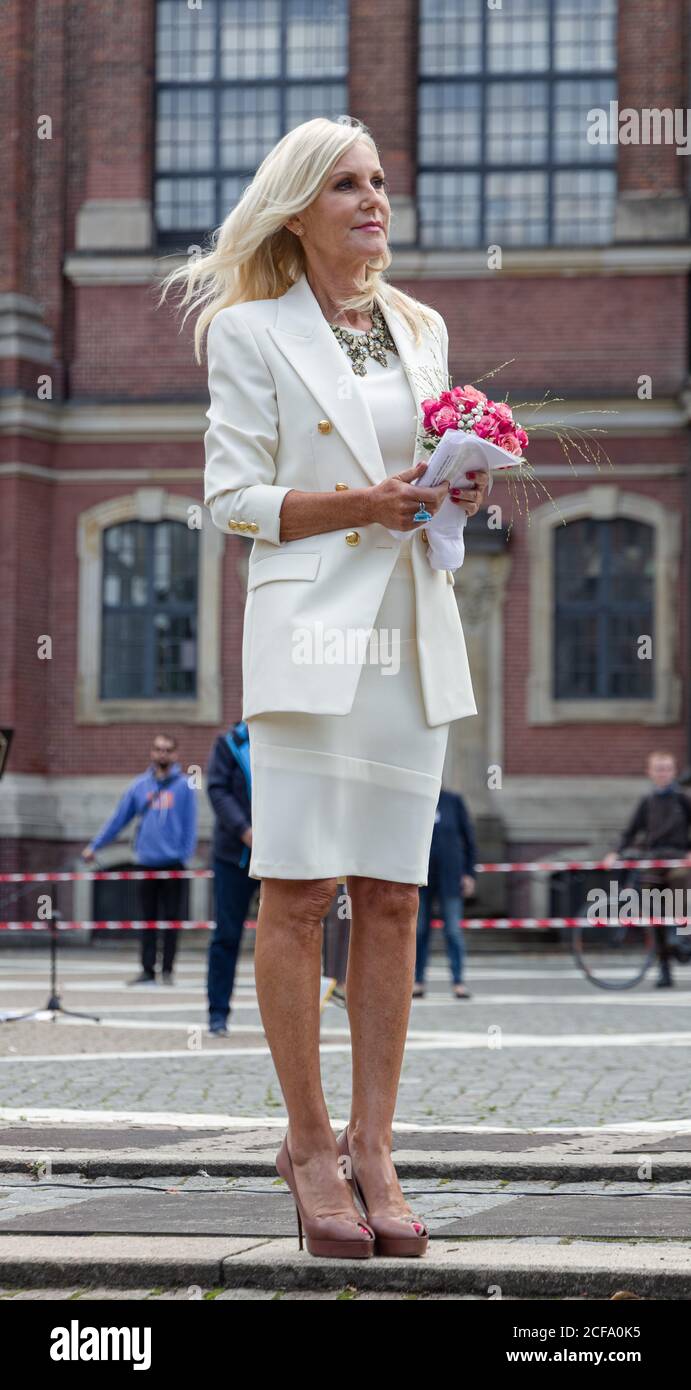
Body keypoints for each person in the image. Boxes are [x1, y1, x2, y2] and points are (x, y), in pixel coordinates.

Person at [161, 115, 488, 1261]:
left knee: (392, 895)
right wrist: (362, 502)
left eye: (380, 181)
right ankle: (306, 1144)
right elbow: (229, 501)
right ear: (296, 208)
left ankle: (376, 1142)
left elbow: (426, 475)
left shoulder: (422, 326)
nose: (372, 200)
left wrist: (454, 491)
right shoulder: (249, 333)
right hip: (307, 632)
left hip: (407, 630)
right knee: (298, 893)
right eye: (345, 184)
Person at [82, 735, 197, 985]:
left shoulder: (186, 786)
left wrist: (185, 854)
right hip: (146, 861)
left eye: (167, 750)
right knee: (147, 918)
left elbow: (191, 824)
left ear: (175, 754)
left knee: (171, 920)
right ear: (152, 753)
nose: (162, 754)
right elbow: (118, 820)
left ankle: (167, 970)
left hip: (173, 864)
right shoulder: (139, 787)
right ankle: (147, 969)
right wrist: (95, 846)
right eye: (158, 749)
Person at [603, 751, 691, 988]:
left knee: (679, 887)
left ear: (673, 772)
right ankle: (664, 967)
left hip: (678, 859)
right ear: (650, 773)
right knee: (655, 914)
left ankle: (683, 937)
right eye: (658, 769)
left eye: (667, 769)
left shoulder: (683, 799)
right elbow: (630, 831)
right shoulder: (647, 802)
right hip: (653, 860)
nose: (663, 773)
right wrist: (615, 852)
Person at [205, 720, 256, 1036]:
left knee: (285, 937)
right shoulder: (228, 743)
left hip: (280, 856)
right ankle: (218, 1013)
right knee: (226, 936)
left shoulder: (287, 737)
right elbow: (217, 789)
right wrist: (244, 830)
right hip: (233, 856)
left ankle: (285, 1020)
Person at [414, 786, 478, 1000]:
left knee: (453, 931)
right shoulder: (418, 799)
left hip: (451, 877)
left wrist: (469, 874)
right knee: (419, 931)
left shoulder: (453, 801)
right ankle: (417, 980)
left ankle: (458, 981)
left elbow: (469, 841)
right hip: (422, 879)